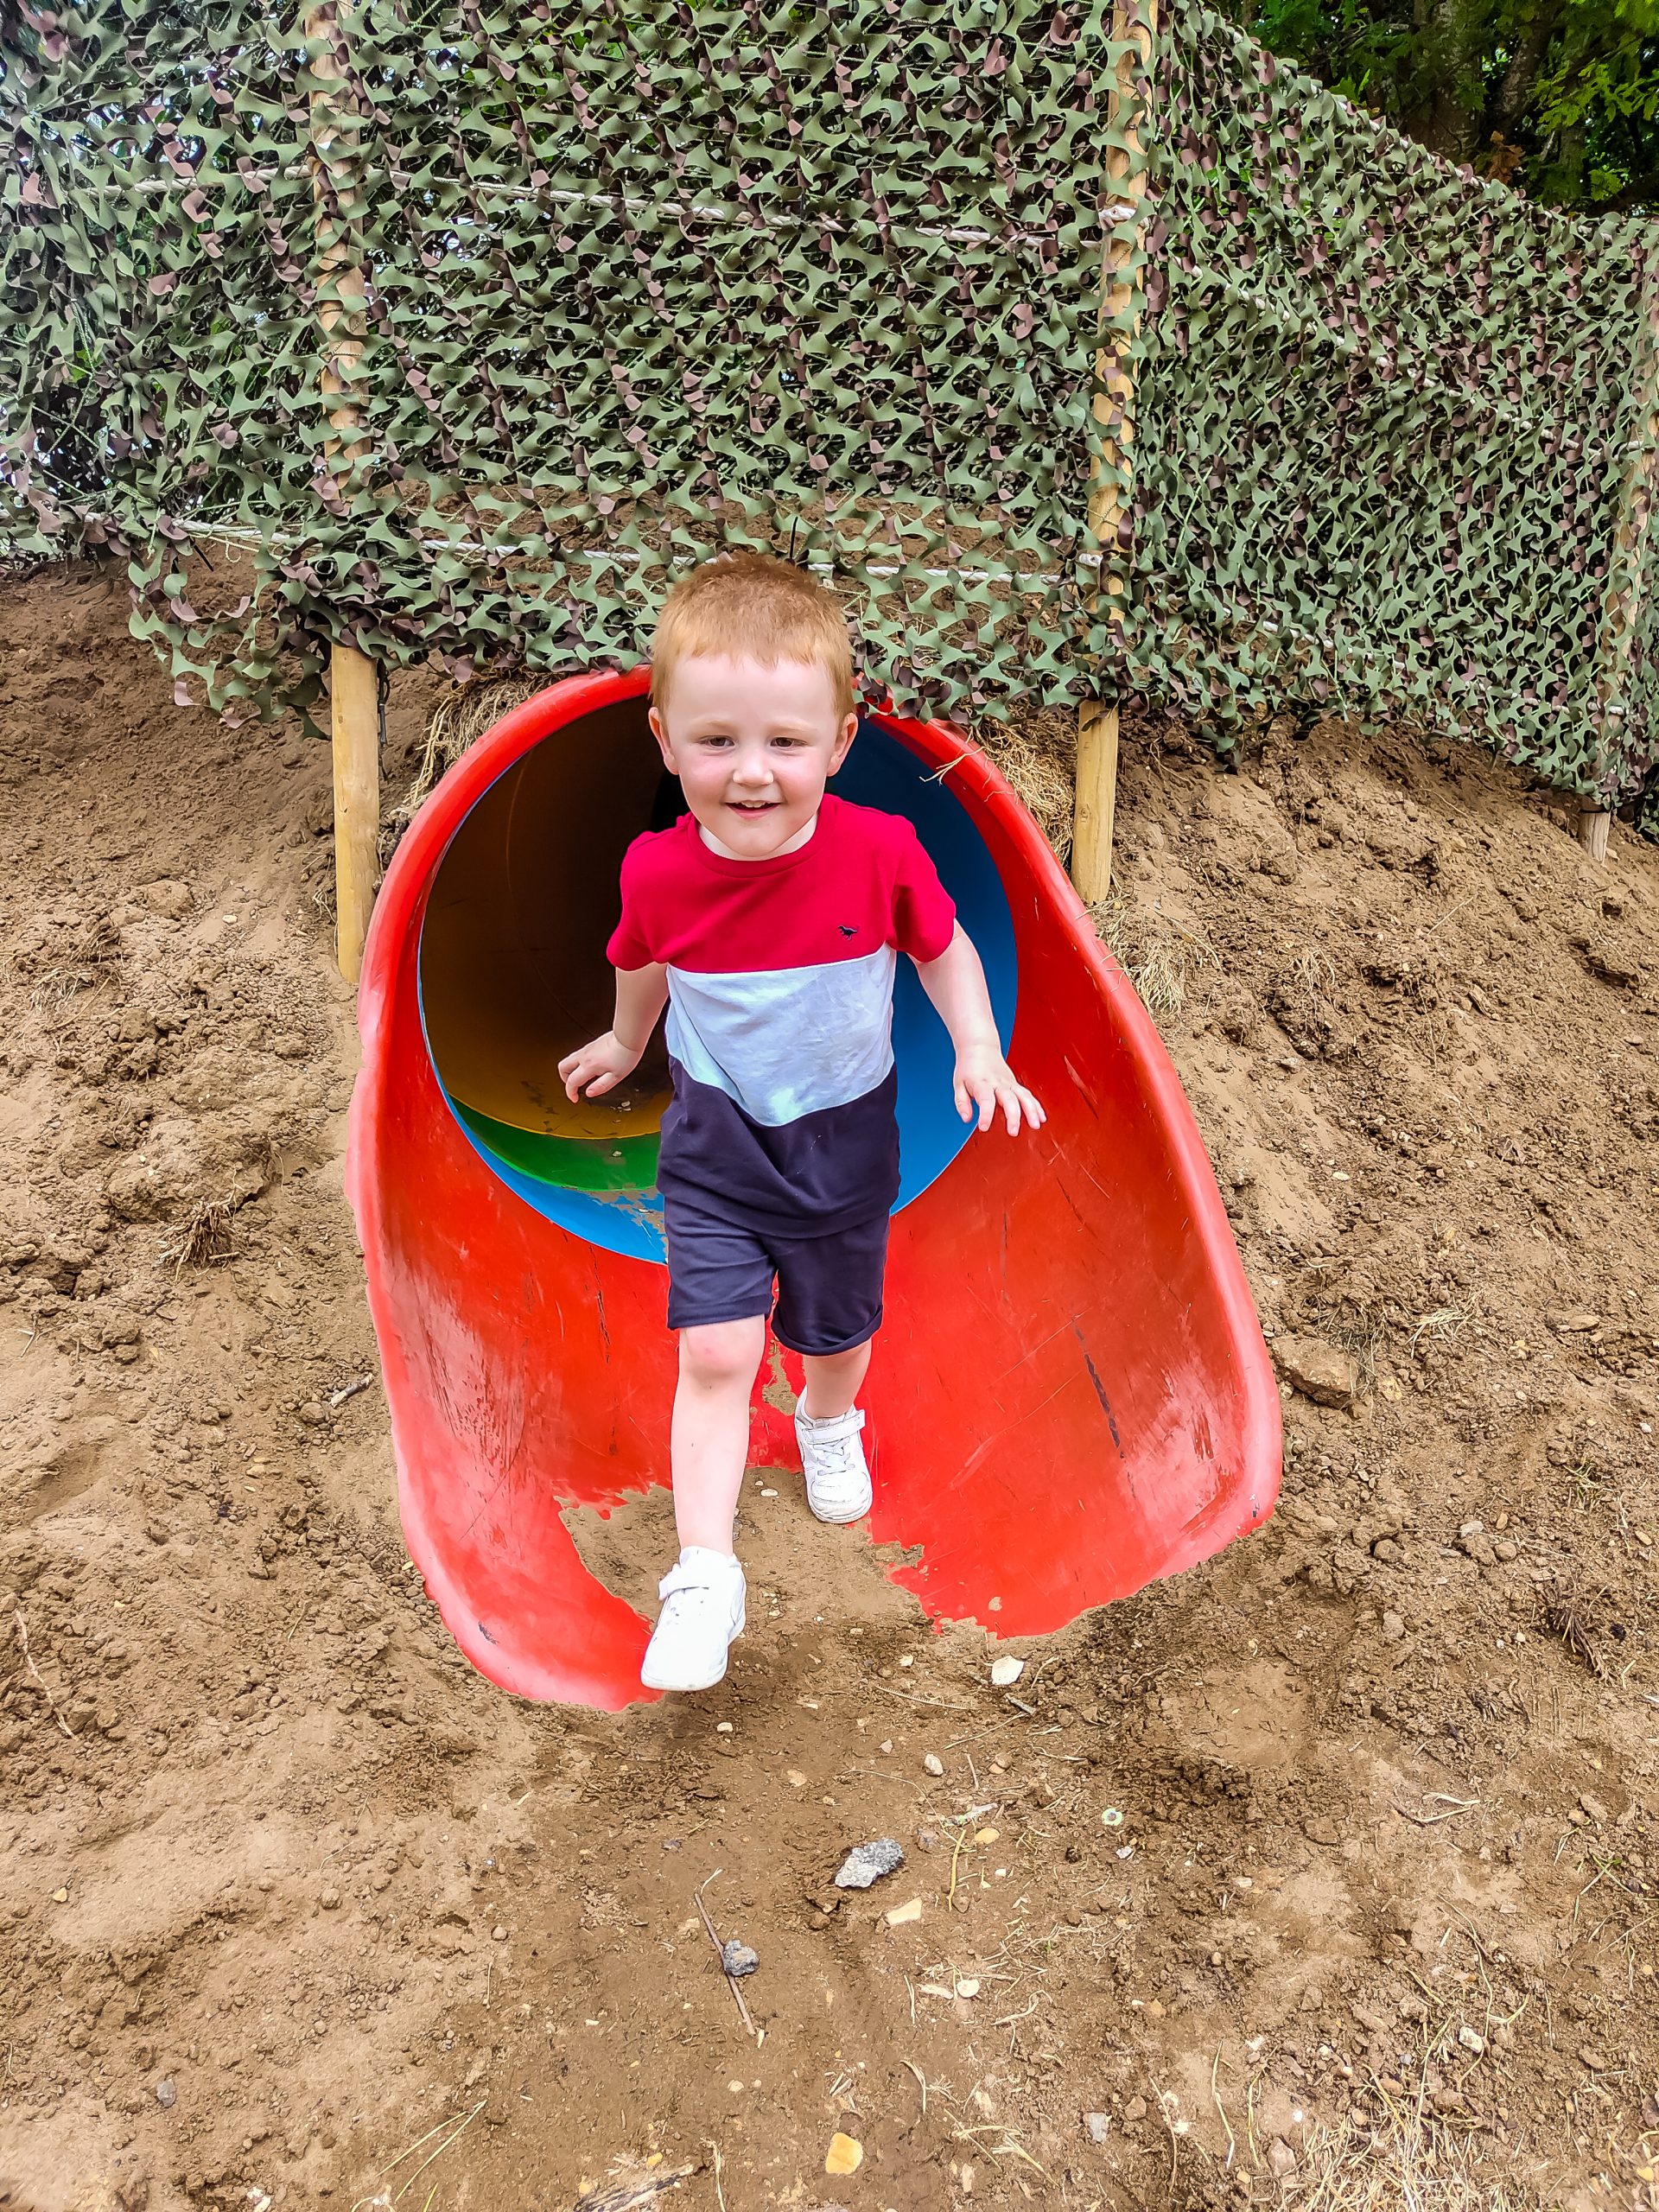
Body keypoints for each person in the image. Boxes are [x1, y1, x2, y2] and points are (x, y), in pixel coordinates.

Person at [558, 552, 1045, 1692]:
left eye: (785, 741)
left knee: (831, 1335)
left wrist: (977, 1046)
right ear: (664, 742)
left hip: (842, 1149)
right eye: (716, 740)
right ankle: (704, 1576)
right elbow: (641, 959)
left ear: (839, 742)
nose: (751, 771)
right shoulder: (657, 871)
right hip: (716, 1149)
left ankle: (829, 1422)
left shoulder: (878, 853)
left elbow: (945, 949)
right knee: (719, 1351)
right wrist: (625, 1043)